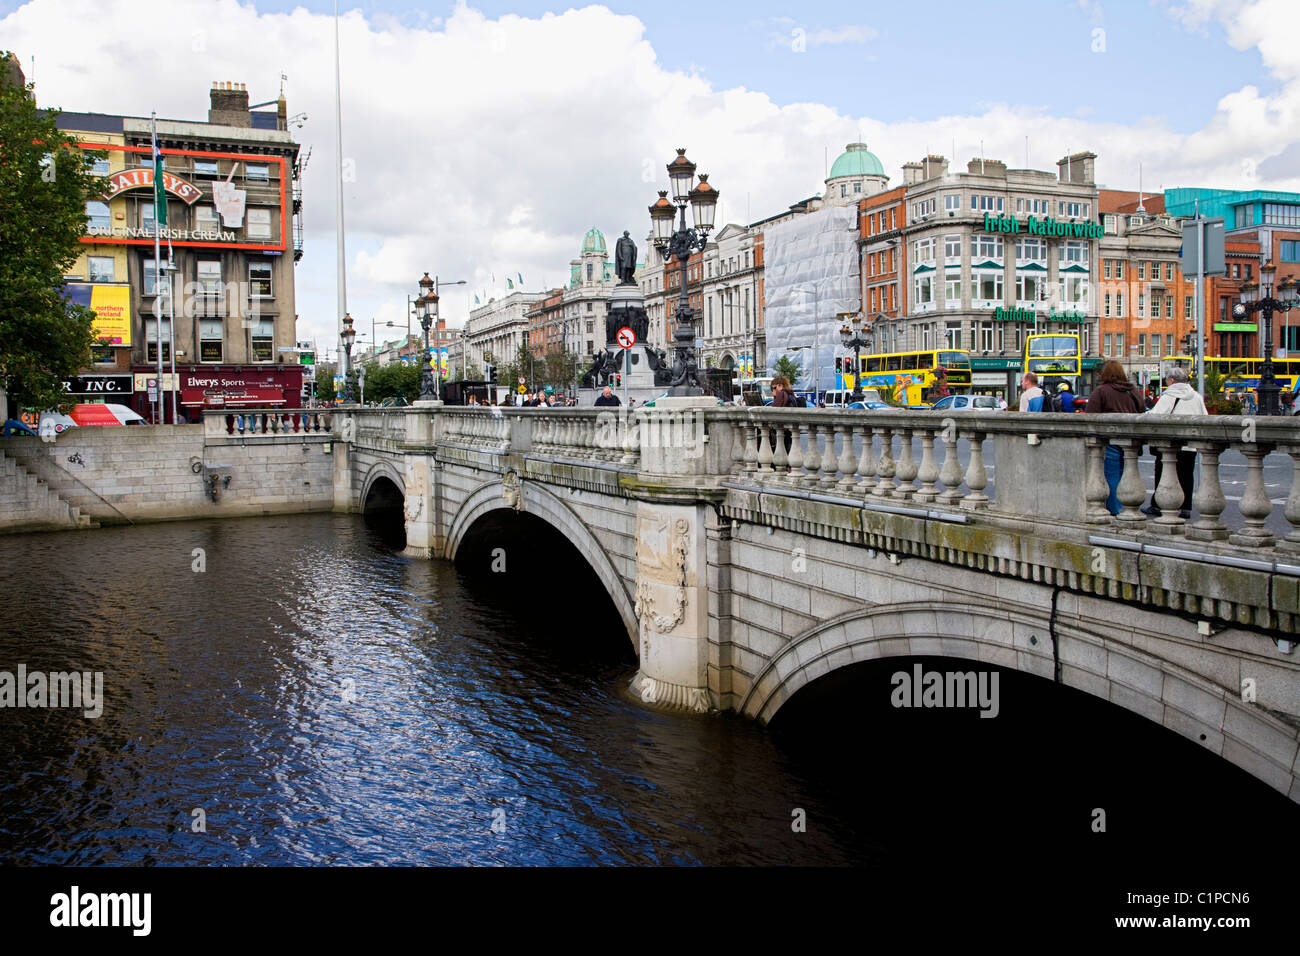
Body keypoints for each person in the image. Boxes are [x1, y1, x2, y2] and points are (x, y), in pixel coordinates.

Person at [1142, 367, 1207, 518]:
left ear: (1171, 380)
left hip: (1169, 444)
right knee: (1186, 475)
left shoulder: (1169, 396)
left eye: (1167, 380)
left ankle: (1158, 504)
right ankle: (1186, 508)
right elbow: (1205, 416)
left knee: (1163, 474)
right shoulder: (1196, 397)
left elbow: (1155, 416)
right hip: (1190, 445)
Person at [1085, 360, 1144, 515]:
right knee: (1129, 474)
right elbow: (1142, 412)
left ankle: (1116, 510)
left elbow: (1090, 416)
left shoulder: (1102, 391)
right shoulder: (1133, 391)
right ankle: (1129, 508)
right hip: (1131, 440)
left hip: (1110, 440)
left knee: (1112, 476)